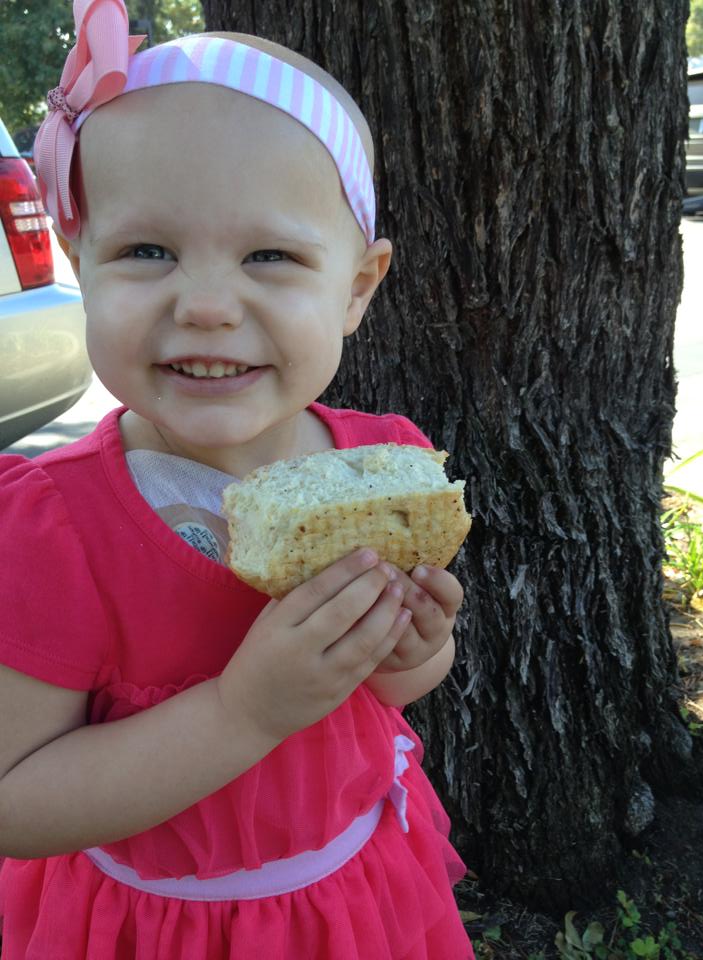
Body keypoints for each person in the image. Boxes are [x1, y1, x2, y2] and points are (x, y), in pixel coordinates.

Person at [0, 2, 474, 957]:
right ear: (82, 266)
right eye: (146, 252)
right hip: (154, 923)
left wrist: (413, 646)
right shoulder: (54, 527)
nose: (208, 306)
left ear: (357, 288)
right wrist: (243, 712)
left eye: (270, 256)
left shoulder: (382, 464)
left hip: (355, 895)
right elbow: (15, 800)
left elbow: (400, 691)